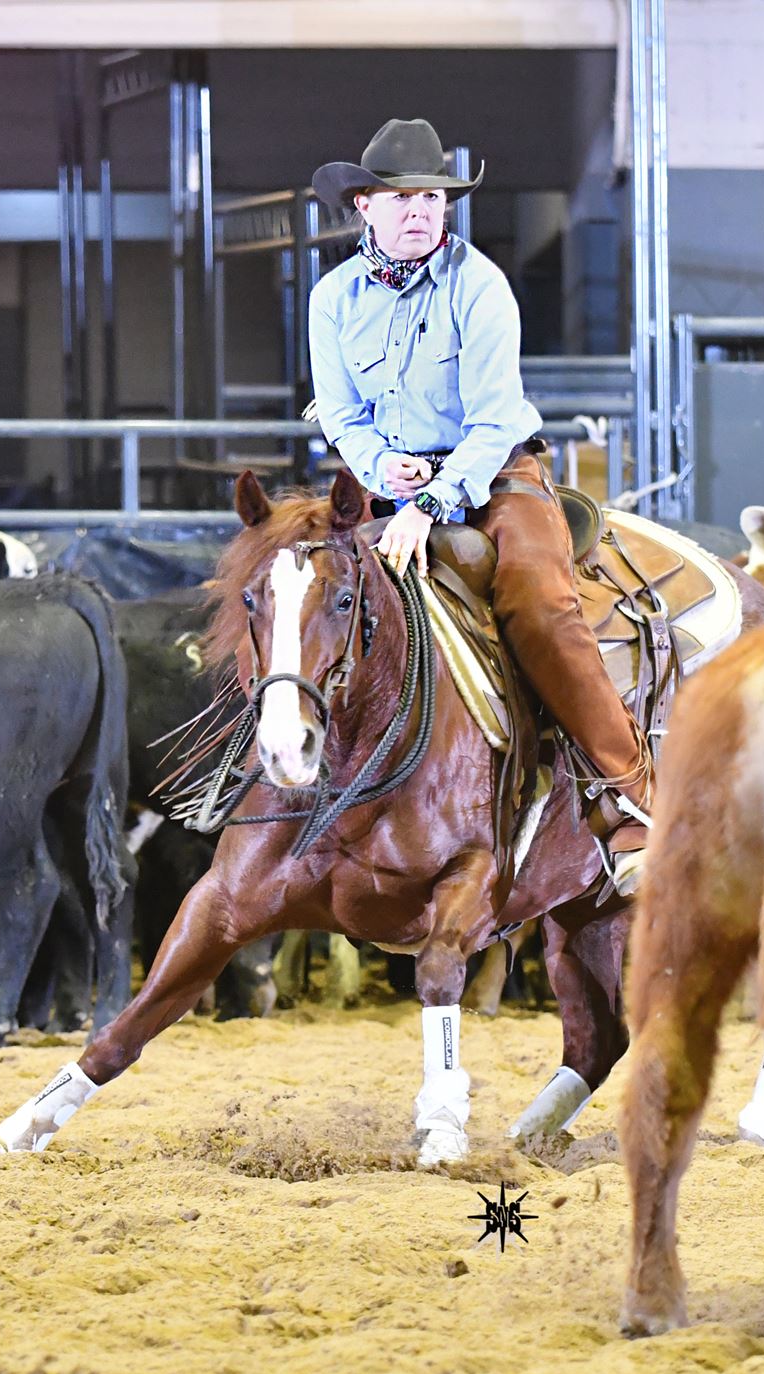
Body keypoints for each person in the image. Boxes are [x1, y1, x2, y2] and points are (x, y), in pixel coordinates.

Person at [309, 118, 652, 892]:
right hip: (391, 484)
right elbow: (341, 414)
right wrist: (376, 464)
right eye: (402, 198)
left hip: (496, 476)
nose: (420, 210)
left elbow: (494, 418)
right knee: (309, 598)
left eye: (432, 195)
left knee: (538, 602)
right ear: (364, 205)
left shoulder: (480, 283)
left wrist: (429, 500)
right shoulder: (331, 300)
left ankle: (631, 795)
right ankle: (299, 783)